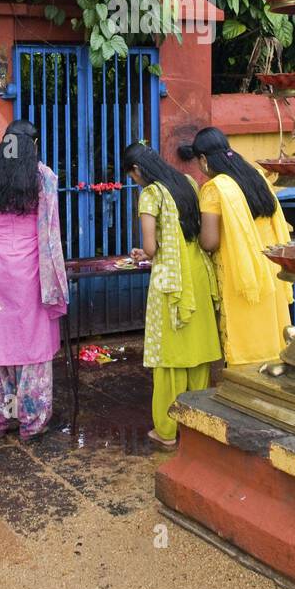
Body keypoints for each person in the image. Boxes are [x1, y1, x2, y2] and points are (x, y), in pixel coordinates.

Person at [0, 120, 68, 441]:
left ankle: (1, 419)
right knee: (33, 340)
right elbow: (50, 226)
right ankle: (31, 421)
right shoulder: (43, 177)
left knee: (0, 341)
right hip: (31, 269)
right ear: (35, 143)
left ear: (5, 143)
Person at [124, 142, 222, 447]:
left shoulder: (150, 194)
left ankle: (166, 429)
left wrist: (144, 253)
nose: (134, 181)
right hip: (197, 272)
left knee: (171, 357)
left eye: (132, 176)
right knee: (197, 354)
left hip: (171, 280)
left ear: (137, 170)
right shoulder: (188, 182)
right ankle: (196, 424)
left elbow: (152, 248)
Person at [177, 127, 293, 367]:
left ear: (204, 159)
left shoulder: (214, 188)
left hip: (240, 272)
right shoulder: (256, 176)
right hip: (271, 266)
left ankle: (245, 384)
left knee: (246, 337)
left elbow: (210, 241)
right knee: (271, 332)